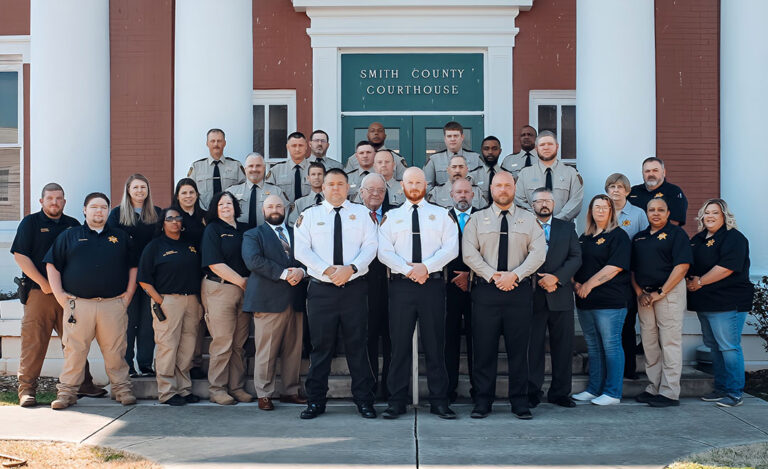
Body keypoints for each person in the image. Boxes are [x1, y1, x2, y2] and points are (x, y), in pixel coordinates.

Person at [294, 168, 378, 420]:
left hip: (353, 288)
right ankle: (315, 401)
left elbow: (371, 246)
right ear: (323, 186)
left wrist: (351, 269)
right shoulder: (309, 215)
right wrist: (328, 270)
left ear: (348, 186)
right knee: (321, 348)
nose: (335, 189)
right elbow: (301, 250)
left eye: (340, 184)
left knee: (357, 346)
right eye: (330, 184)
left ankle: (364, 400)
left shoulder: (362, 214)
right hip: (322, 291)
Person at [462, 171, 546, 419]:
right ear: (491, 188)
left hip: (518, 291)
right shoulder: (477, 220)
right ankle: (482, 401)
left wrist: (515, 275)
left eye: (507, 185)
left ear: (514, 187)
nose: (502, 189)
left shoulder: (529, 220)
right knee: (484, 350)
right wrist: (493, 275)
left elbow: (538, 253)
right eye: (498, 185)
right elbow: (469, 253)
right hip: (486, 291)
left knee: (519, 351)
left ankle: (520, 402)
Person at [11, 183, 104, 407]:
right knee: (34, 342)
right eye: (50, 198)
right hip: (39, 293)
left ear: (64, 201)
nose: (54, 202)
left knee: (75, 341)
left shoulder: (72, 225)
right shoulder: (31, 223)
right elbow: (20, 256)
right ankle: (27, 390)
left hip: (70, 295)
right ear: (41, 201)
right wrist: (44, 283)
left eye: (59, 198)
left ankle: (83, 384)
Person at [378, 167, 459, 420]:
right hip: (401, 286)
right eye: (410, 182)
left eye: (418, 182)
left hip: (432, 286)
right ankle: (396, 401)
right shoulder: (391, 218)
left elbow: (451, 248)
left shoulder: (442, 214)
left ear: (426, 185)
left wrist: (426, 267)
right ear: (402, 186)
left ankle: (439, 401)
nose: (414, 186)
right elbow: (384, 252)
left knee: (436, 344)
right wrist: (408, 270)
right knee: (399, 345)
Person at [45, 192, 138, 409]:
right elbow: (52, 264)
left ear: (108, 211)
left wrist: (128, 295)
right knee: (74, 351)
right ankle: (67, 393)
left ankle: (121, 389)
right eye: (94, 207)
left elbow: (134, 267)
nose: (99, 211)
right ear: (85, 210)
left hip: (113, 304)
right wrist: (59, 295)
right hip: (79, 305)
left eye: (104, 207)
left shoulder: (120, 237)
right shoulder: (70, 236)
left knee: (115, 351)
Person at [686, 199, 754, 408]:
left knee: (728, 347)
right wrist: (690, 279)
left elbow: (726, 268)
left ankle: (734, 392)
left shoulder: (734, 238)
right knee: (714, 347)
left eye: (715, 212)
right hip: (705, 302)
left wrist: (700, 281)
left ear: (724, 215)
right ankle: (722, 388)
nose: (710, 216)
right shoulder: (697, 239)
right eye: (707, 213)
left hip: (728, 302)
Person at [242, 195, 308, 410]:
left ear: (286, 209)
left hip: (295, 300)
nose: (275, 209)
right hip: (267, 301)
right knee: (266, 350)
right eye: (270, 206)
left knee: (293, 350)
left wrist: (302, 270)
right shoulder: (253, 234)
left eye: (279, 206)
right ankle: (264, 393)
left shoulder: (297, 233)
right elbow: (253, 261)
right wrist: (283, 273)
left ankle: (290, 390)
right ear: (263, 211)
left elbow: (307, 256)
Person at [137, 208, 203, 406]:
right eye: (170, 218)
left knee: (187, 347)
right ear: (163, 223)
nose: (175, 222)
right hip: (167, 301)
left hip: (191, 300)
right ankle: (167, 392)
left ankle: (184, 389)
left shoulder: (190, 244)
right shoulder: (154, 247)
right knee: (168, 346)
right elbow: (144, 280)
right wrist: (160, 301)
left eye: (178, 218)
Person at [631, 198, 691, 407]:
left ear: (668, 213)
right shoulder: (639, 238)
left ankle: (669, 391)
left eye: (660, 210)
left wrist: (659, 293)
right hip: (644, 297)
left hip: (669, 294)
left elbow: (682, 267)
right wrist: (640, 293)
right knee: (649, 342)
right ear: (646, 213)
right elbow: (632, 269)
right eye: (651, 210)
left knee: (669, 342)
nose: (655, 213)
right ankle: (653, 387)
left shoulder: (677, 235)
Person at [571, 195, 631, 406]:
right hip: (585, 302)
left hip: (610, 302)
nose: (601, 211)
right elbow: (573, 261)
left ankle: (613, 392)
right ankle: (594, 389)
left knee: (611, 346)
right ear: (591, 211)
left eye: (605, 207)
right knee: (594, 347)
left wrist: (588, 285)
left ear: (612, 211)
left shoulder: (618, 236)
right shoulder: (584, 237)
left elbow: (614, 267)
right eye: (597, 207)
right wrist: (575, 284)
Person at [527, 187, 582, 408]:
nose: (544, 204)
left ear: (554, 204)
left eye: (548, 201)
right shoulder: (525, 226)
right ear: (532, 205)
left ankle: (560, 393)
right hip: (532, 295)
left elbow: (576, 257)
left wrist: (556, 278)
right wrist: (539, 278)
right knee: (533, 347)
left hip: (560, 296)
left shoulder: (567, 228)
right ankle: (532, 391)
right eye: (539, 201)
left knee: (563, 347)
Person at [200, 191, 253, 405]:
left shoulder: (245, 229)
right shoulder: (213, 230)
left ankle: (237, 387)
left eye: (229, 203)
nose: (225, 207)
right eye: (221, 204)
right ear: (215, 208)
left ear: (235, 207)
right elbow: (214, 263)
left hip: (244, 292)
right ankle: (217, 389)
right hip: (220, 289)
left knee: (239, 344)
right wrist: (241, 281)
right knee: (222, 342)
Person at [107, 174, 161, 378]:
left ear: (148, 191)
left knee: (148, 322)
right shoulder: (117, 214)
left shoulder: (156, 213)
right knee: (128, 323)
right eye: (135, 187)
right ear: (128, 190)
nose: (140, 191)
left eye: (143, 187)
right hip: (126, 276)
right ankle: (127, 365)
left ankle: (146, 364)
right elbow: (113, 244)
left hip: (150, 277)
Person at [606, 173, 649, 379]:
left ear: (627, 191)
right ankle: (610, 368)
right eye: (612, 186)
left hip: (629, 276)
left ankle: (629, 369)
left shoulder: (638, 214)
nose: (615, 190)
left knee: (627, 323)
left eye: (620, 187)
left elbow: (644, 243)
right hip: (606, 276)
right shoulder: (602, 210)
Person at [359, 173, 396, 400]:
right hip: (363, 288)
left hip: (393, 287)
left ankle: (391, 389)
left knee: (393, 340)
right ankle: (369, 388)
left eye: (380, 190)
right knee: (368, 339)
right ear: (361, 192)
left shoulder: (395, 215)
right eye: (370, 190)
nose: (375, 194)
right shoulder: (352, 215)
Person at [444, 178, 479, 402]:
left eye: (467, 191)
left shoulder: (484, 217)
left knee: (479, 340)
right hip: (448, 288)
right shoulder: (441, 218)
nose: (463, 195)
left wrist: (471, 275)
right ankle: (448, 390)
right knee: (449, 340)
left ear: (473, 194)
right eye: (459, 192)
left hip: (478, 287)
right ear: (452, 195)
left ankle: (479, 390)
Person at [514, 131, 583, 222]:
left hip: (563, 228)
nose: (546, 147)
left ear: (557, 147)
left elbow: (575, 202)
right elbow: (519, 201)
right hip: (532, 228)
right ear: (536, 148)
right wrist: (539, 220)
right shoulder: (524, 174)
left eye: (550, 144)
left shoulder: (571, 174)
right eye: (542, 145)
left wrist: (555, 222)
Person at [187, 128, 246, 210]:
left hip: (228, 212)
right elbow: (189, 191)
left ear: (224, 143)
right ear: (207, 143)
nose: (216, 144)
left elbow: (244, 190)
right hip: (204, 215)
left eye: (219, 141)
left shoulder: (236, 166)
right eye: (212, 141)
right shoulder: (197, 167)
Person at [226, 153, 287, 228]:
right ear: (245, 169)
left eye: (258, 166)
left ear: (264, 168)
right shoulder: (231, 192)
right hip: (238, 237)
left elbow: (285, 218)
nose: (254, 169)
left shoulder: (277, 192)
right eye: (251, 166)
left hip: (266, 237)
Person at [628, 157, 688, 226]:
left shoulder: (673, 191)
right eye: (647, 171)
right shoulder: (633, 191)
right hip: (635, 235)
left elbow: (675, 222)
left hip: (662, 235)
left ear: (664, 172)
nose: (651, 174)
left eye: (655, 170)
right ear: (642, 173)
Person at [424, 121, 482, 190]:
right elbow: (427, 186)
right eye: (449, 136)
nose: (452, 139)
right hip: (442, 200)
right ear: (445, 138)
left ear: (462, 137)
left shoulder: (476, 159)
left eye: (456, 136)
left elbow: (482, 184)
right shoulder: (434, 160)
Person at [266, 131, 311, 204]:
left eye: (300, 145)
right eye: (294, 145)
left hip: (310, 212)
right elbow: (268, 194)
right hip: (285, 212)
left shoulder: (316, 170)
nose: (297, 149)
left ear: (306, 146)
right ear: (287, 147)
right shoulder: (276, 170)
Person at [172, 178, 207, 248]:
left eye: (191, 192)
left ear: (196, 195)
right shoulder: (170, 217)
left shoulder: (206, 216)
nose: (188, 196)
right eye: (184, 193)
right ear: (177, 196)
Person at [289, 161, 325, 227]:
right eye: (313, 174)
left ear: (325, 177)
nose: (316, 177)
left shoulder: (331, 201)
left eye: (319, 174)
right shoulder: (299, 203)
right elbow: (293, 225)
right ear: (308, 178)